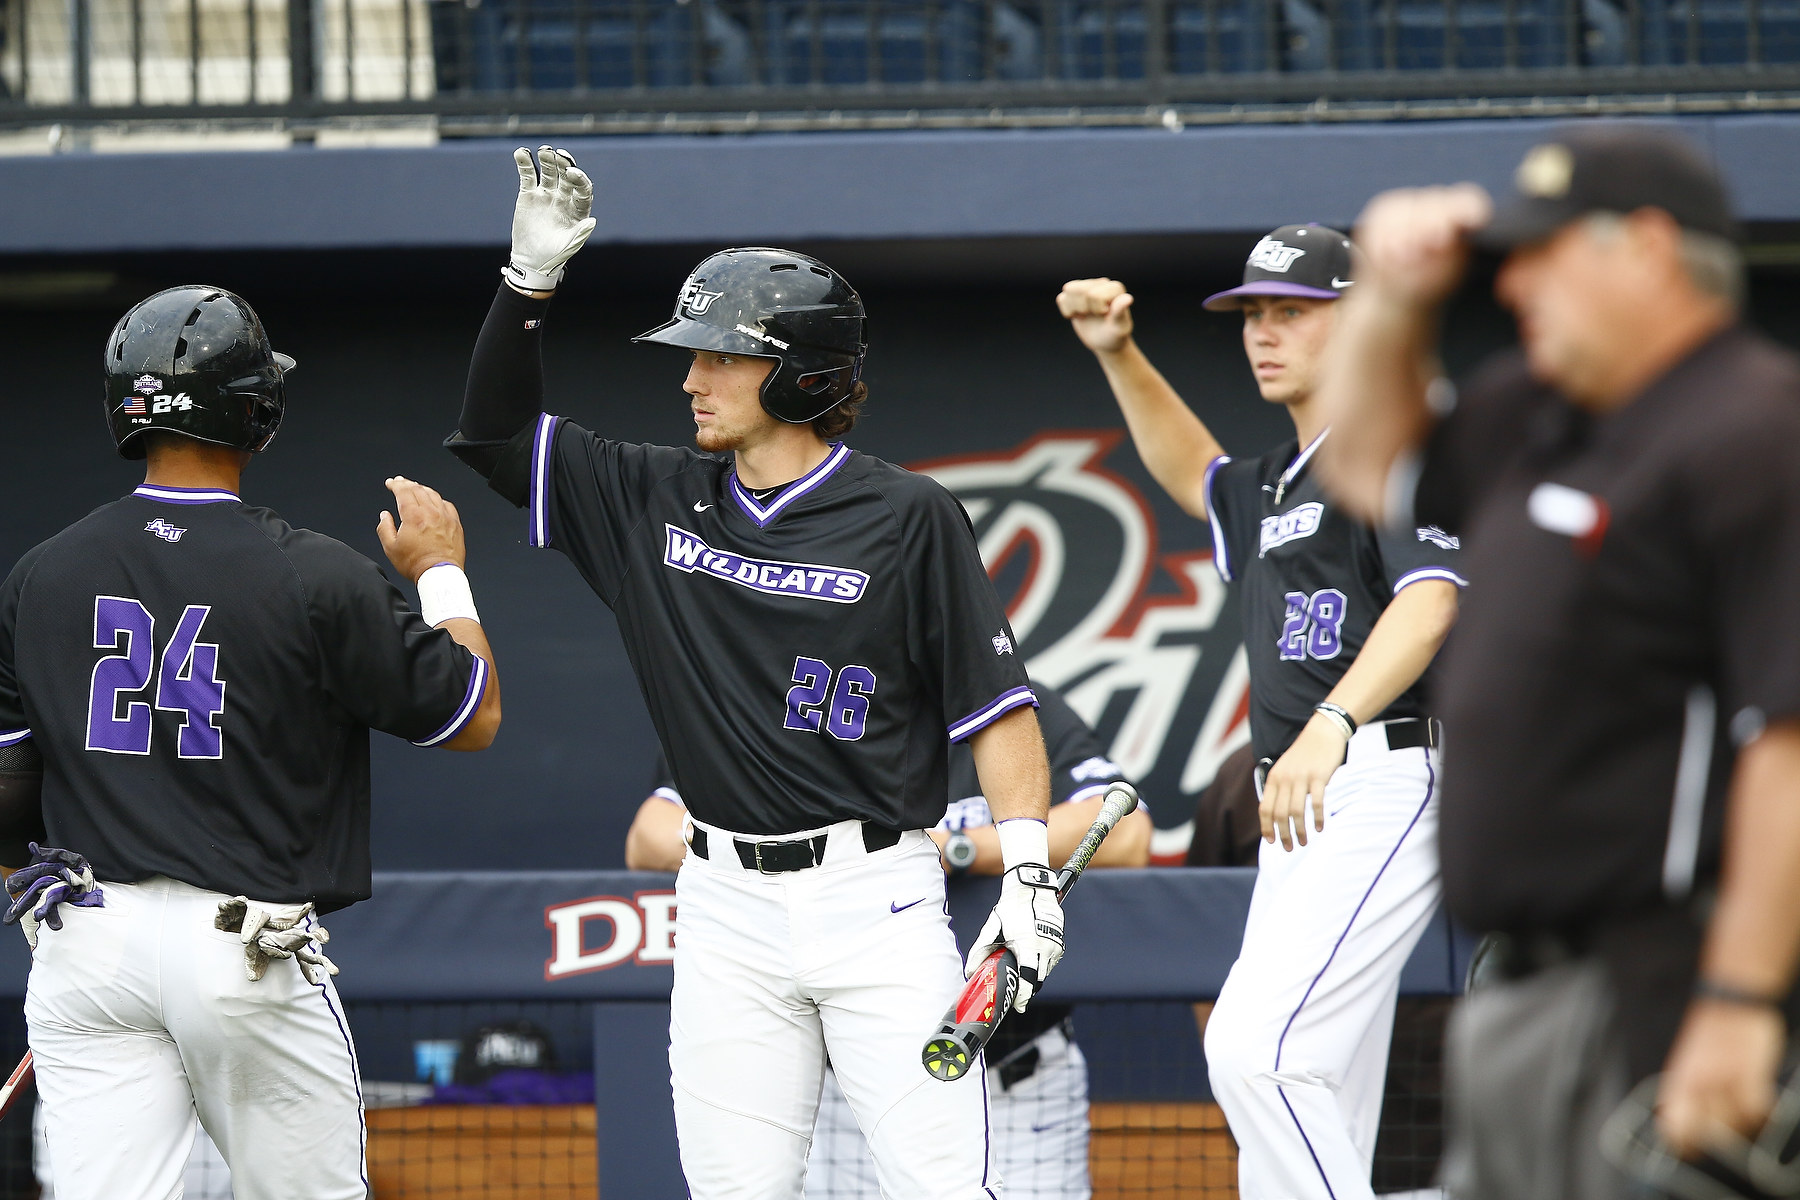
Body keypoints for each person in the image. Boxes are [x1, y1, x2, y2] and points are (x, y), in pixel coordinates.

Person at [446, 146, 1062, 1200]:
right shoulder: (651, 497)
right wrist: (527, 282)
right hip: (723, 903)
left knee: (943, 1189)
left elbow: (995, 708)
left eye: (723, 357)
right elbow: (495, 433)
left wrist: (1030, 871)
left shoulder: (909, 514)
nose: (692, 379)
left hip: (877, 897)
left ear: (802, 372)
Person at [1315, 123, 1800, 1199]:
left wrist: (1741, 1001)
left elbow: (1792, 743)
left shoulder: (1755, 427)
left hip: (1662, 985)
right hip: (1517, 989)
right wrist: (1391, 303)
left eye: (1547, 251)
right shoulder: (1533, 412)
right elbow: (1366, 465)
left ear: (1651, 247)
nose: (1515, 282)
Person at [0, 285, 500, 1200]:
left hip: (87, 940)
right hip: (241, 947)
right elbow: (472, 715)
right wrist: (440, 572)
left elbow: (5, 780)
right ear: (256, 412)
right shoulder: (314, 574)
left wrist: (47, 919)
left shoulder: (41, 572)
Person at [1056, 227, 1464, 1200]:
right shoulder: (1281, 475)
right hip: (1306, 802)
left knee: (1258, 1055)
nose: (1263, 333)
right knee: (1313, 1083)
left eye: (1292, 312)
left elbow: (1432, 600)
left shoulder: (1398, 445)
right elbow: (1194, 472)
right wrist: (1120, 354)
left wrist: (1333, 721)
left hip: (1380, 770)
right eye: (1253, 314)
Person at [625, 683, 1152, 1200]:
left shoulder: (1006, 703)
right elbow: (649, 835)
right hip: (852, 1091)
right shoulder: (788, 702)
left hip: (1019, 1075)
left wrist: (959, 848)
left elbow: (1127, 833)